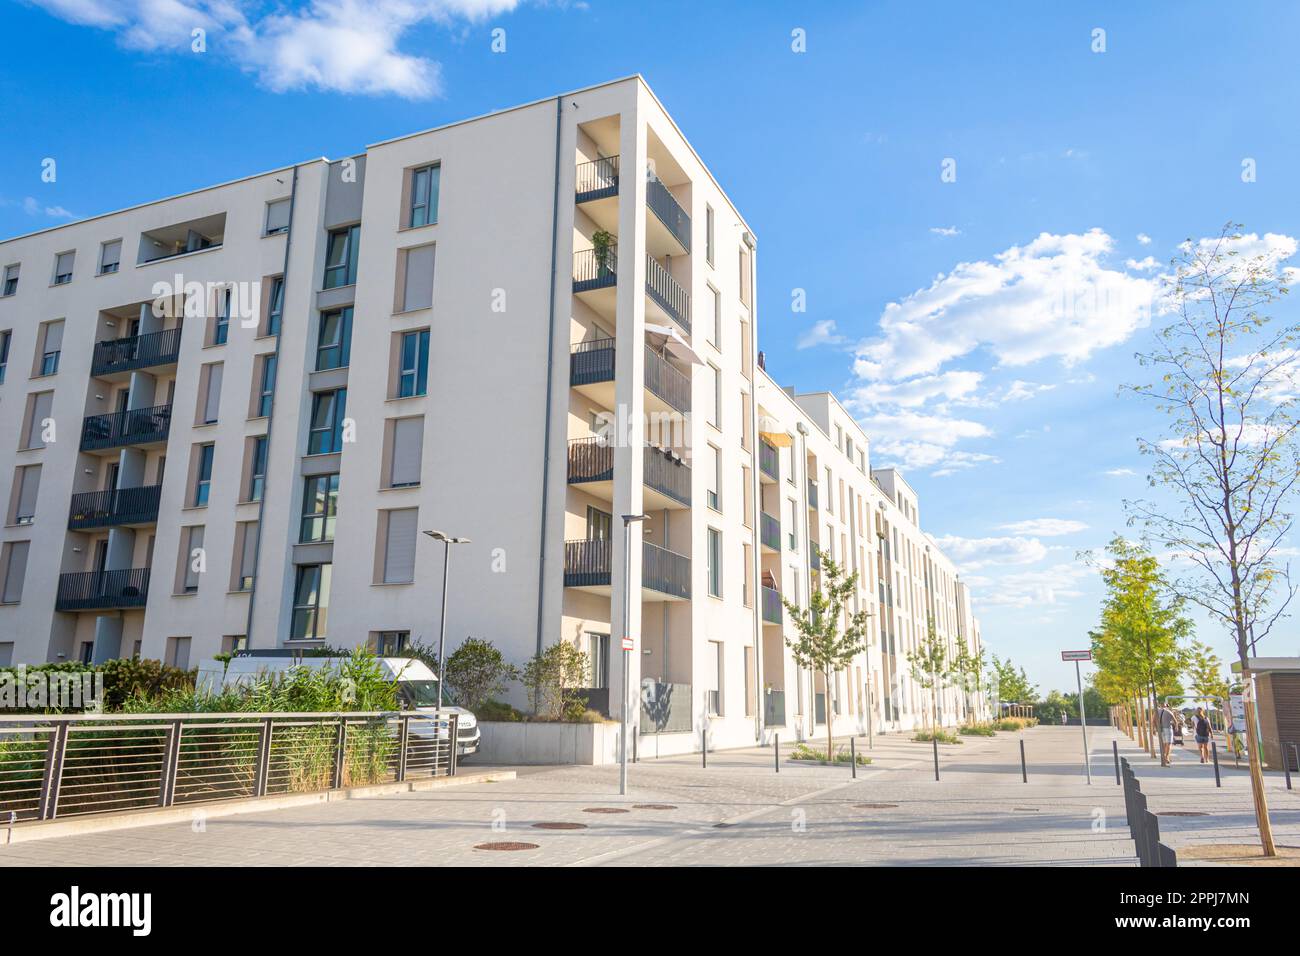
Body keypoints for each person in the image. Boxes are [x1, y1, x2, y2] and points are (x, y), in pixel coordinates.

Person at [1158, 701, 1176, 766]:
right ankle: (1167, 757)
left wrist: (1155, 729)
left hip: (1161, 729)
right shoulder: (1169, 712)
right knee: (1169, 743)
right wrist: (1176, 726)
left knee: (1164, 744)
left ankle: (1163, 756)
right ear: (1166, 706)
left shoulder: (1157, 711)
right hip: (1168, 729)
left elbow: (1153, 720)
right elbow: (1175, 721)